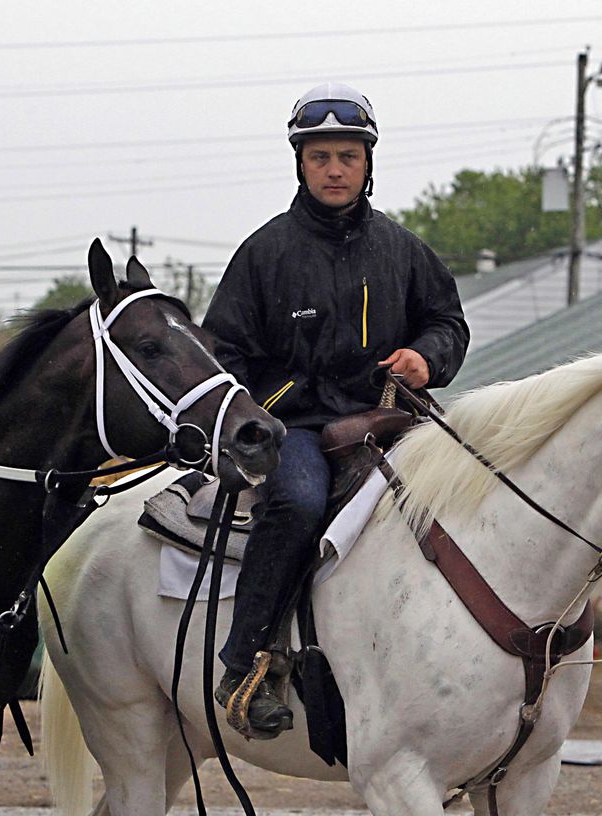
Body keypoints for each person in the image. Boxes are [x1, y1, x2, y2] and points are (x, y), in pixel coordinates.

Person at [202, 82, 470, 737]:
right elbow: (221, 353)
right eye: (320, 157)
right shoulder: (263, 254)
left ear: (367, 164)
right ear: (300, 163)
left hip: (390, 420)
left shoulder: (405, 251)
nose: (334, 169)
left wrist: (426, 360)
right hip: (295, 429)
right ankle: (244, 669)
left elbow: (447, 322)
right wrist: (254, 424)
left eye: (347, 156)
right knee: (295, 502)